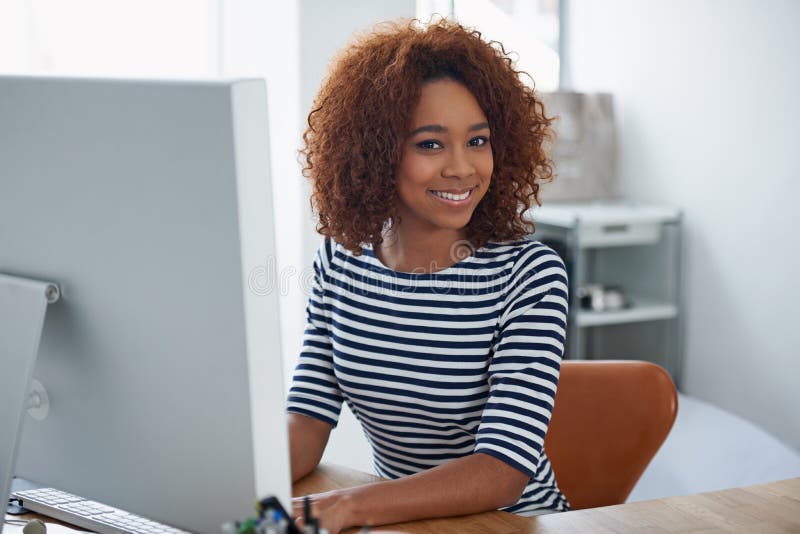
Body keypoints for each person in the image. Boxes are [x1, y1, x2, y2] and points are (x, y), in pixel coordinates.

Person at [287, 18, 569, 533]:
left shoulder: (529, 275)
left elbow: (501, 471)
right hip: (409, 523)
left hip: (514, 523)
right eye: (431, 145)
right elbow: (306, 418)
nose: (462, 168)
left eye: (478, 141)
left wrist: (350, 506)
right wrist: (234, 498)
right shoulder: (342, 259)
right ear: (375, 153)